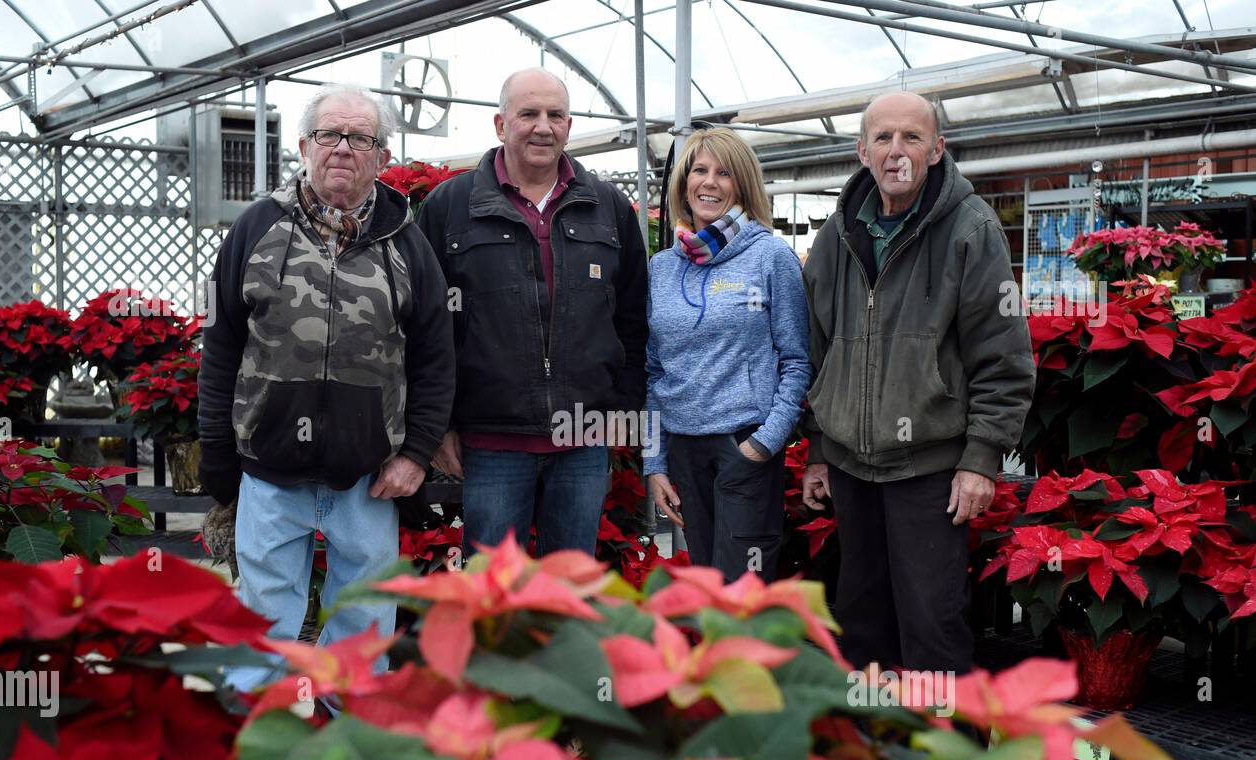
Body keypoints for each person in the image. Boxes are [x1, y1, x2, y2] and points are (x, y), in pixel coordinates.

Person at [197, 83, 454, 689]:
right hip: (267, 469)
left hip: (370, 478)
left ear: (381, 155)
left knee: (363, 635)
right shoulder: (256, 228)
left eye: (360, 138)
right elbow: (221, 346)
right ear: (305, 145)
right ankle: (259, 756)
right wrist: (217, 456)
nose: (343, 148)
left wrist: (417, 454)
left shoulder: (407, 243)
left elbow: (436, 360)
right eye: (330, 135)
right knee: (260, 632)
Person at [801, 91, 1034, 674]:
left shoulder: (970, 229)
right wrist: (818, 450)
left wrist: (981, 458)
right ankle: (875, 756)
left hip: (930, 469)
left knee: (932, 624)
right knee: (860, 623)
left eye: (911, 137)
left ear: (937, 149)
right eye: (883, 138)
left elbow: (1002, 352)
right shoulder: (836, 236)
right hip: (853, 469)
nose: (896, 150)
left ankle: (941, 759)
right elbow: (815, 349)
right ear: (862, 151)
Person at [415, 68, 648, 557]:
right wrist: (435, 427)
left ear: (567, 125)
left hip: (584, 441)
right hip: (493, 442)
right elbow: (422, 329)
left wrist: (623, 410)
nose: (543, 126)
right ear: (501, 125)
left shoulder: (607, 209)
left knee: (569, 596)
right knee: (494, 601)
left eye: (556, 115)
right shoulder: (449, 207)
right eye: (529, 114)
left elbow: (632, 318)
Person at [645, 128, 810, 581]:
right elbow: (655, 370)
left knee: (744, 590)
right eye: (700, 170)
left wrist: (763, 444)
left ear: (742, 185)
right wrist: (655, 463)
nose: (710, 182)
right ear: (684, 182)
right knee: (707, 584)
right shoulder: (662, 267)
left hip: (743, 442)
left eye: (724, 173)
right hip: (684, 449)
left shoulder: (770, 257)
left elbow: (796, 359)